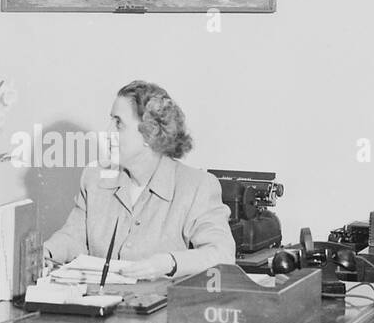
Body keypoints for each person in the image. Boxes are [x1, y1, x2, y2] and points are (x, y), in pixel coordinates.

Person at [42, 80, 235, 280]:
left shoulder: (197, 186)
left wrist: (169, 262)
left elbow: (222, 254)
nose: (108, 133)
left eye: (118, 123)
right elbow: (74, 236)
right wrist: (46, 252)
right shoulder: (94, 178)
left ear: (148, 133)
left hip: (163, 307)